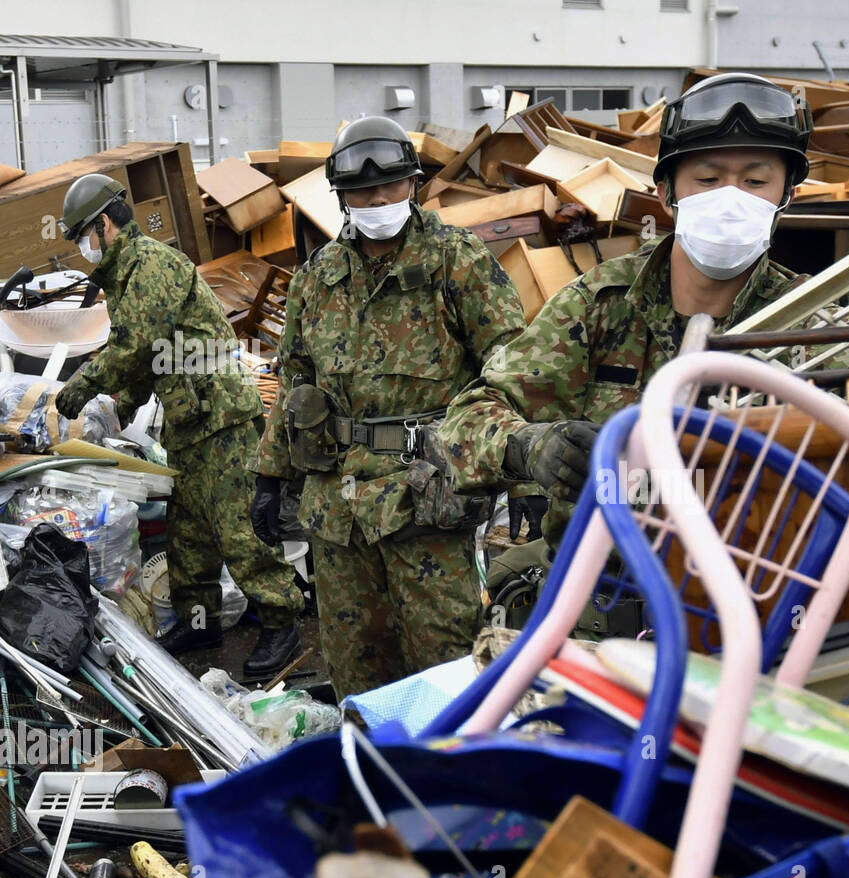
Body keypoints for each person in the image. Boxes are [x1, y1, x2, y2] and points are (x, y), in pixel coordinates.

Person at [437, 72, 849, 541]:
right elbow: (467, 418)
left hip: (753, 594)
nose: (730, 198)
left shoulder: (812, 325)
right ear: (667, 194)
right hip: (604, 591)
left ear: (786, 197)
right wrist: (533, 447)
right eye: (708, 179)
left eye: (755, 181)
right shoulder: (600, 307)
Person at [249, 116, 525, 699]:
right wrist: (269, 476)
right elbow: (296, 376)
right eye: (362, 191)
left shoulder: (458, 262)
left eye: (391, 186)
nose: (378, 199)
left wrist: (523, 472)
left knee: (447, 667)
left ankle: (451, 779)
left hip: (424, 499)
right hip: (338, 509)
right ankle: (371, 778)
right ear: (342, 196)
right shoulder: (319, 277)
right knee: (358, 670)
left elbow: (512, 370)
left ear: (414, 184)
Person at [54, 174, 304, 677]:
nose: (84, 247)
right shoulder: (125, 277)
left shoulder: (149, 265)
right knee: (189, 534)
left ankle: (282, 624)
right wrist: (117, 410)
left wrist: (82, 388)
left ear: (104, 225)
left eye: (83, 235)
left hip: (223, 418)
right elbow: (148, 361)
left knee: (238, 529)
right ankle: (201, 621)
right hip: (189, 419)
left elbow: (135, 345)